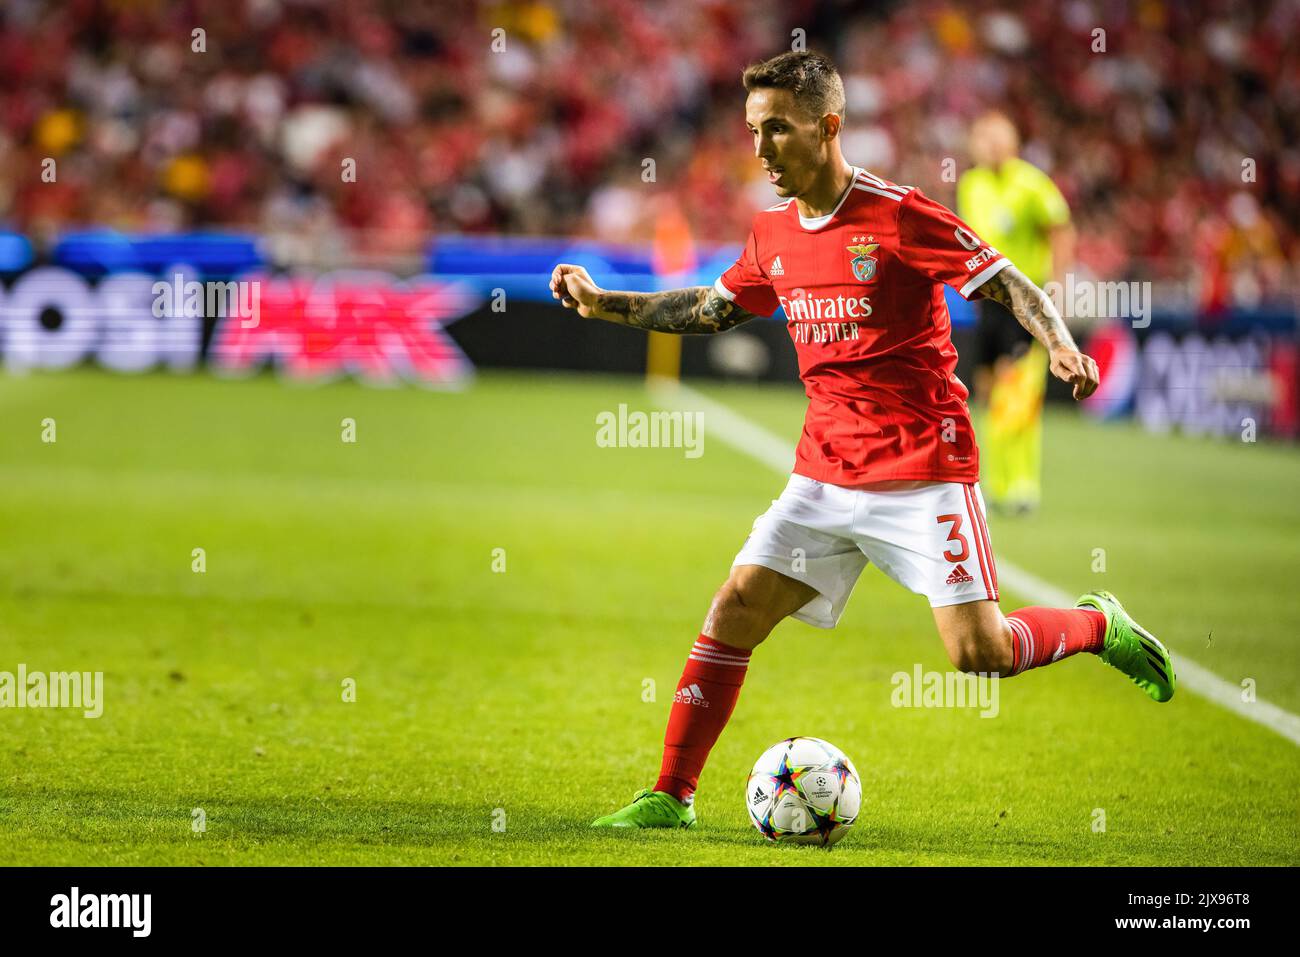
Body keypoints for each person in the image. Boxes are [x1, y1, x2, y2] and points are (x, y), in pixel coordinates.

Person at [549, 51, 1175, 831]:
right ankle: (671, 794)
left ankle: (1096, 624)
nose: (761, 148)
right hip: (824, 473)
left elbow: (1008, 278)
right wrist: (605, 303)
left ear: (829, 126)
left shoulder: (899, 215)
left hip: (924, 470)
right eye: (753, 130)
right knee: (735, 606)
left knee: (978, 653)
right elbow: (709, 310)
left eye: (777, 129)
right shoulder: (773, 234)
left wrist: (1058, 343)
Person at [958, 111, 1075, 513]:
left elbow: (1060, 229)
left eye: (997, 137)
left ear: (1013, 142)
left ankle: (1023, 485)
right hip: (988, 305)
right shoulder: (971, 185)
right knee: (990, 392)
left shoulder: (1031, 183)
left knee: (1020, 393)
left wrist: (1057, 285)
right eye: (982, 137)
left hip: (1026, 303)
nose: (989, 144)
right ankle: (997, 482)